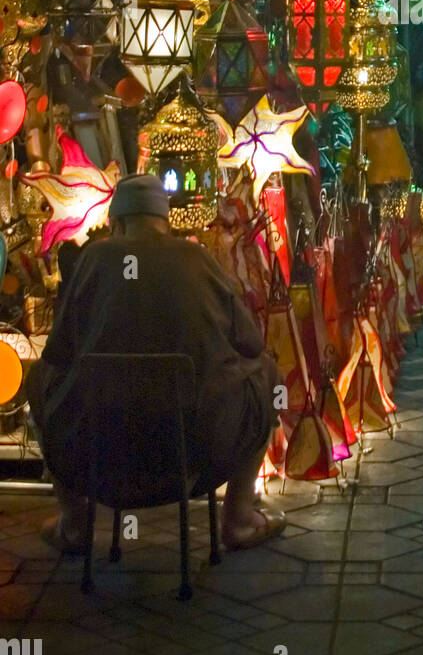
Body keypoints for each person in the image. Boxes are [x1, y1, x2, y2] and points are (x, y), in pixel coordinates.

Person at [27, 174, 285, 554]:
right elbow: (251, 343)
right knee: (270, 376)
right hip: (198, 449)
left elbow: (56, 354)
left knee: (37, 381)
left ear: (116, 223)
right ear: (166, 223)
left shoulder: (94, 259)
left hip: (103, 450)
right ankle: (240, 517)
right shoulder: (196, 257)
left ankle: (74, 522)